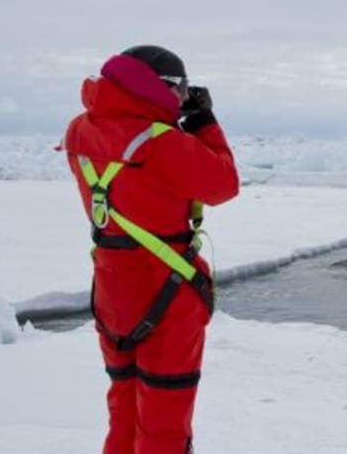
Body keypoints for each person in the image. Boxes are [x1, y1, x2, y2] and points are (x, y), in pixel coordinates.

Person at [62, 45, 239, 453]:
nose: (183, 96)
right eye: (181, 88)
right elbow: (224, 183)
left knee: (123, 408)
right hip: (168, 294)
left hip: (112, 294)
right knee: (163, 418)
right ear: (158, 87)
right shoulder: (162, 143)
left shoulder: (78, 131)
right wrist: (201, 119)